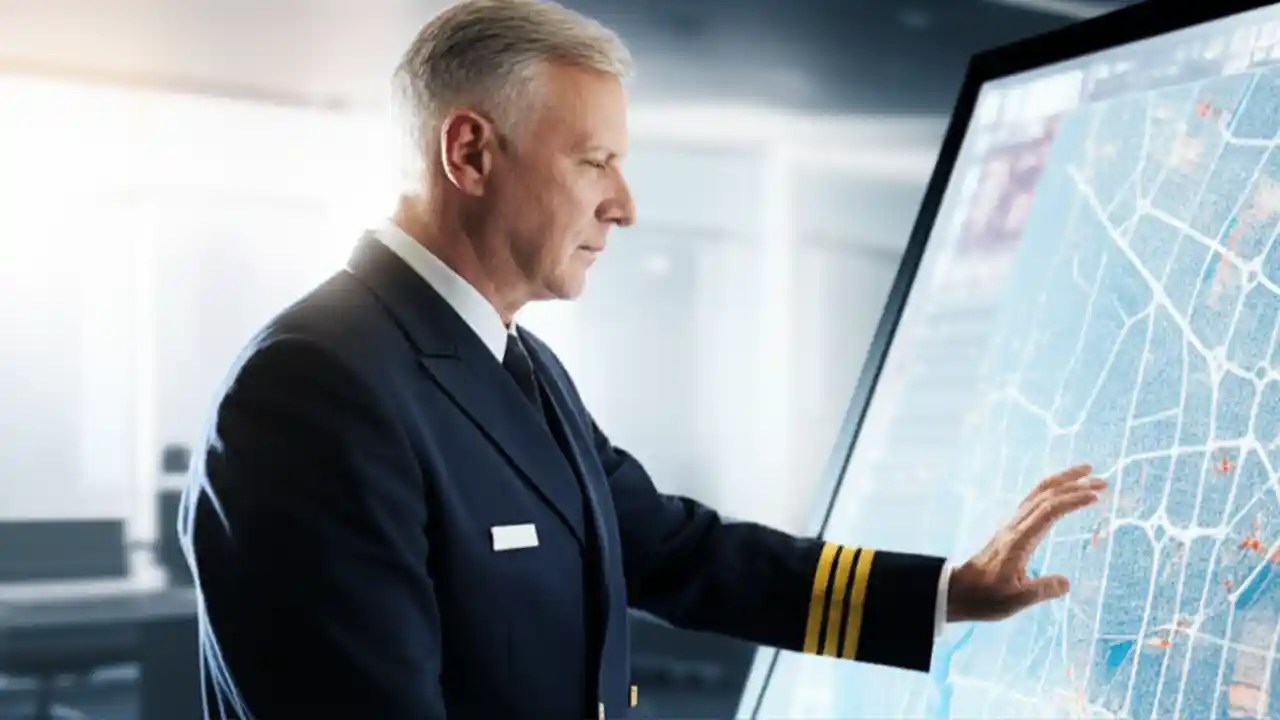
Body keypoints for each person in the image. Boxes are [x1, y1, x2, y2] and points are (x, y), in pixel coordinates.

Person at [178, 1, 1108, 718]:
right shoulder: (317, 386)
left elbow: (676, 552)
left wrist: (949, 592)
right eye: (594, 162)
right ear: (469, 152)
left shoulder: (517, 365)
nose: (625, 205)